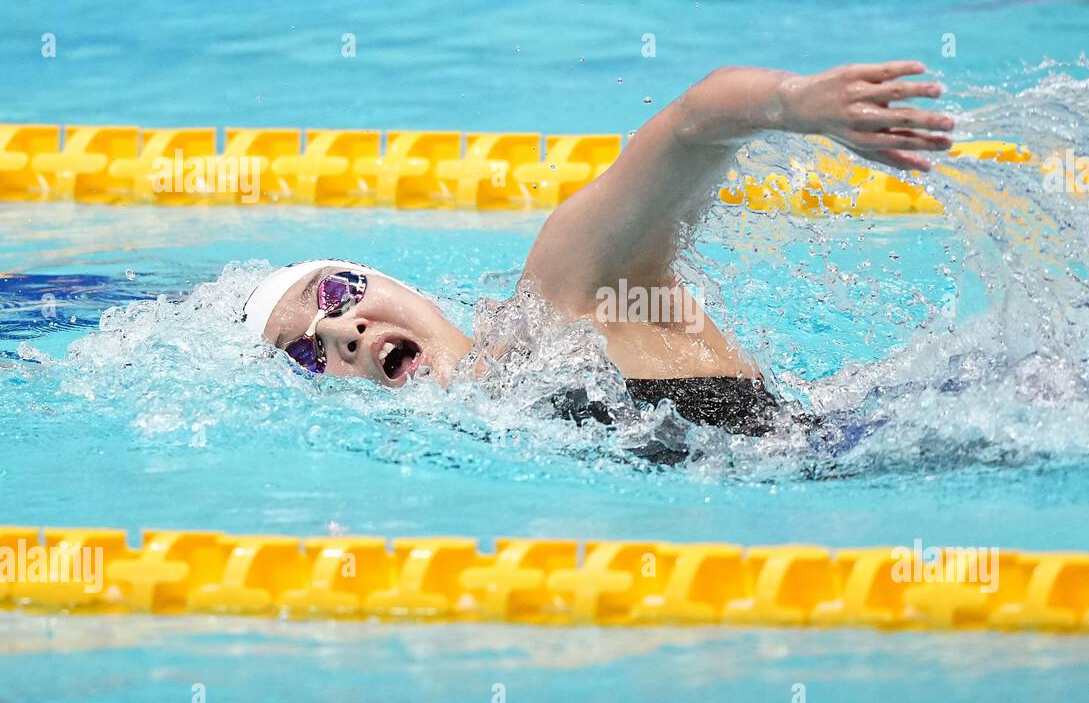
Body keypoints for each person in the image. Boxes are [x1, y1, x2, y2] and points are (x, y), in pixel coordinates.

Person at [241, 62, 954, 440]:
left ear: (398, 285)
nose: (340, 330)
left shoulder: (560, 304)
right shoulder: (498, 431)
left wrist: (793, 103)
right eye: (305, 354)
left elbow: (689, 123)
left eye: (336, 293)